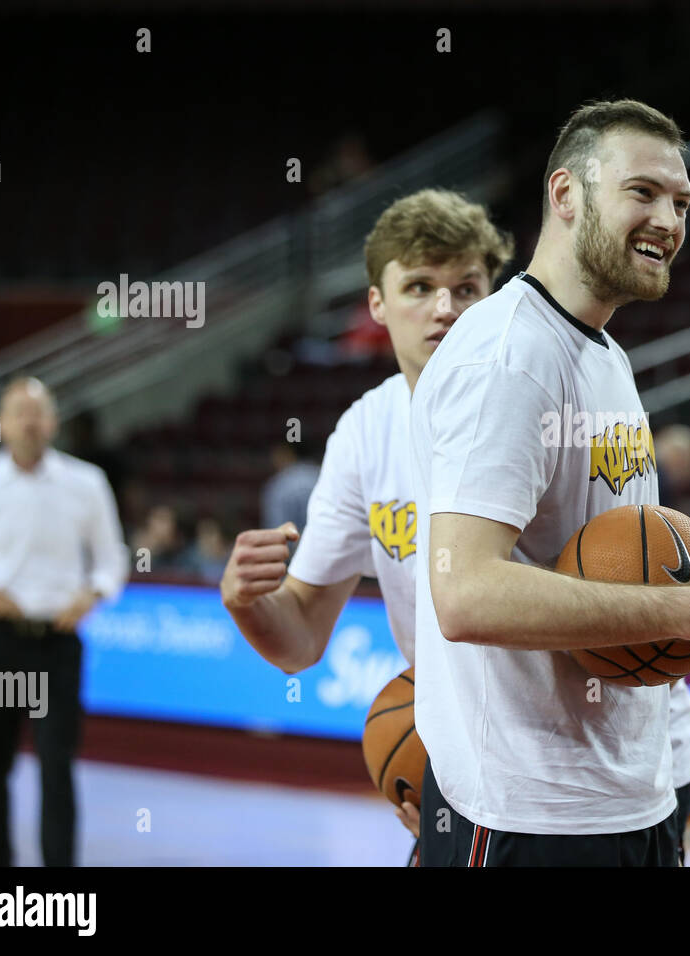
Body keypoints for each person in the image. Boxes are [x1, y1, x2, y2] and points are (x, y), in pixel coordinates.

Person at [410, 99, 690, 867]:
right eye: (643, 192)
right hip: (526, 814)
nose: (669, 219)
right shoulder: (507, 356)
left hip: (626, 797)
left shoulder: (603, 353)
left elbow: (615, 552)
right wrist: (688, 607)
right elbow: (465, 593)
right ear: (565, 195)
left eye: (682, 202)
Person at [221, 189, 514, 861]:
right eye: (419, 286)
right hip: (461, 755)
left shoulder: (541, 402)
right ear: (375, 305)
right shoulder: (364, 430)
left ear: (495, 297)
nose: (445, 308)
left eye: (466, 287)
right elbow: (299, 638)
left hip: (578, 764)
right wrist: (246, 600)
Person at [0, 377, 128, 867]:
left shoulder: (86, 483)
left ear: (53, 421)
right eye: (18, 411)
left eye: (38, 411)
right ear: (0, 424)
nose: (29, 420)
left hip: (57, 643)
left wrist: (93, 593)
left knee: (57, 766)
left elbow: (113, 559)